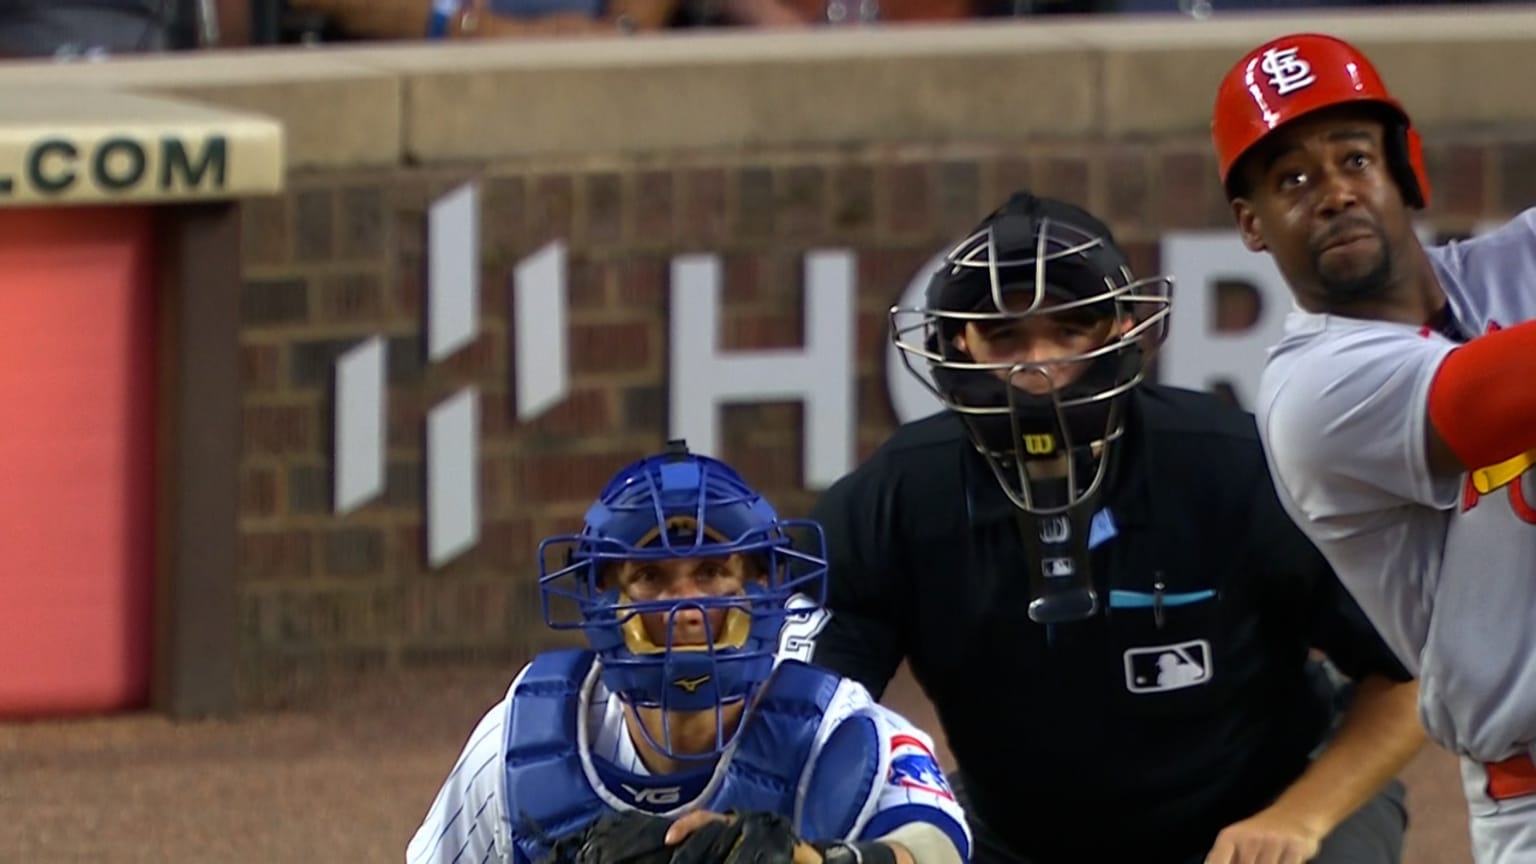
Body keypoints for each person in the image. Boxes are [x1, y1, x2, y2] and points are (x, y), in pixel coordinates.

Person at [803, 190, 1425, 864]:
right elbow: (809, 715)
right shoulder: (896, 499)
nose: (1037, 367)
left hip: (1264, 806)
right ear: (957, 343)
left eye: (1069, 327)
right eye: (1006, 336)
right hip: (1015, 838)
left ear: (1123, 331)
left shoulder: (1235, 466)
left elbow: (1410, 674)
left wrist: (1299, 819)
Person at [1211, 31, 1536, 864]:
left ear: (1402, 170)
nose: (1332, 193)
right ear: (1252, 225)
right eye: (1292, 179)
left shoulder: (1515, 266)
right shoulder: (1313, 390)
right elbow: (1484, 401)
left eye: (1354, 159)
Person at [406, 440, 971, 864]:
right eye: (650, 575)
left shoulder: (834, 732)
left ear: (759, 585)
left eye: (710, 571)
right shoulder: (522, 741)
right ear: (606, 598)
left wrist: (815, 863)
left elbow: (939, 847)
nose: (685, 606)